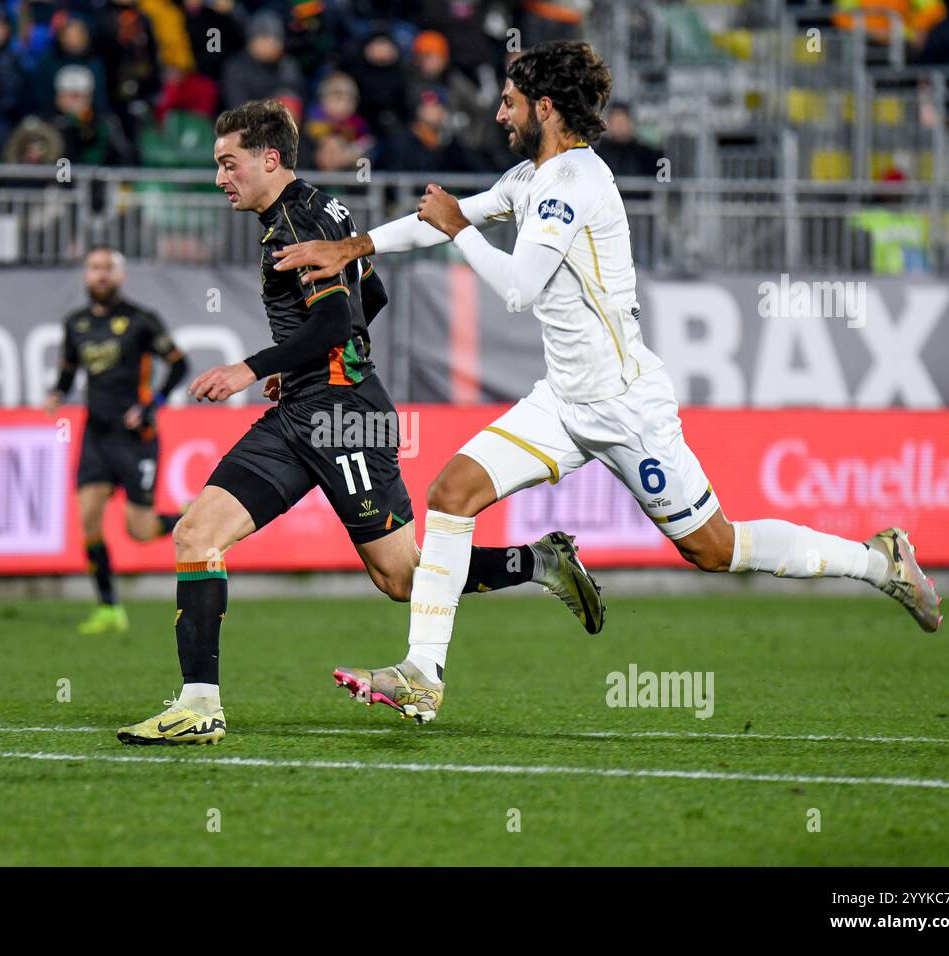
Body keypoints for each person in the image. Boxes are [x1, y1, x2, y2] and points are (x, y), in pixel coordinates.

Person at [274, 41, 943, 725]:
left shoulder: (575, 184)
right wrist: (354, 247)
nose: (500, 113)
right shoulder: (530, 178)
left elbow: (518, 288)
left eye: (509, 102)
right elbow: (442, 219)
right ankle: (422, 673)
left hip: (626, 409)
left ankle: (877, 561)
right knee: (452, 492)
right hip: (562, 402)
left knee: (714, 548)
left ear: (545, 107)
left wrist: (459, 234)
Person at [115, 99, 603, 746]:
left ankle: (538, 562)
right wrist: (308, 363)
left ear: (269, 159)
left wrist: (250, 367)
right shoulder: (320, 210)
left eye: (228, 164)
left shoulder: (295, 222)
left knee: (401, 579)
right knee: (197, 533)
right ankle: (199, 705)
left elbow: (336, 320)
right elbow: (369, 295)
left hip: (345, 419)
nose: (219, 179)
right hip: (301, 412)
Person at [46, 247, 191, 636]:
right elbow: (69, 369)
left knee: (139, 531)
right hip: (95, 434)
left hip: (135, 438)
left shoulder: (141, 321)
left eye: (108, 268)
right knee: (88, 520)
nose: (101, 275)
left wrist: (152, 406)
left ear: (121, 275)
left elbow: (179, 364)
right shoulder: (74, 324)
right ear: (85, 275)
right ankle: (110, 607)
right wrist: (57, 393)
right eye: (94, 268)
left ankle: (192, 517)